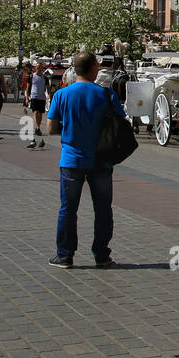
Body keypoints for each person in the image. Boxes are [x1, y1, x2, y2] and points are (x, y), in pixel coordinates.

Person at [45, 50, 124, 269]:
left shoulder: (62, 94)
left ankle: (65, 255)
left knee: (68, 209)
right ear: (93, 68)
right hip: (101, 159)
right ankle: (101, 254)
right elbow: (120, 122)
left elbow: (50, 128)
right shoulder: (107, 95)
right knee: (103, 208)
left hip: (71, 159)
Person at [27, 61, 49, 149]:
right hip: (34, 96)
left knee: (40, 113)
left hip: (42, 97)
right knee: (35, 112)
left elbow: (48, 88)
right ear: (35, 68)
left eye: (41, 68)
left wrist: (48, 96)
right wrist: (27, 97)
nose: (39, 69)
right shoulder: (32, 76)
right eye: (38, 67)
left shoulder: (45, 78)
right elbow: (28, 87)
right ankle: (37, 127)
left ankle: (38, 127)